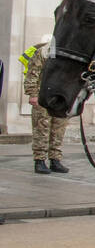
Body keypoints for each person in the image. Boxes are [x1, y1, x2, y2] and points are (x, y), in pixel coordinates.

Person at [21, 37, 70, 174]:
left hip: (60, 98)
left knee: (59, 129)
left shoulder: (68, 55)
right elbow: (32, 75)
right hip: (43, 96)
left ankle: (55, 159)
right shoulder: (43, 52)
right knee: (41, 128)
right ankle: (39, 160)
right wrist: (32, 94)